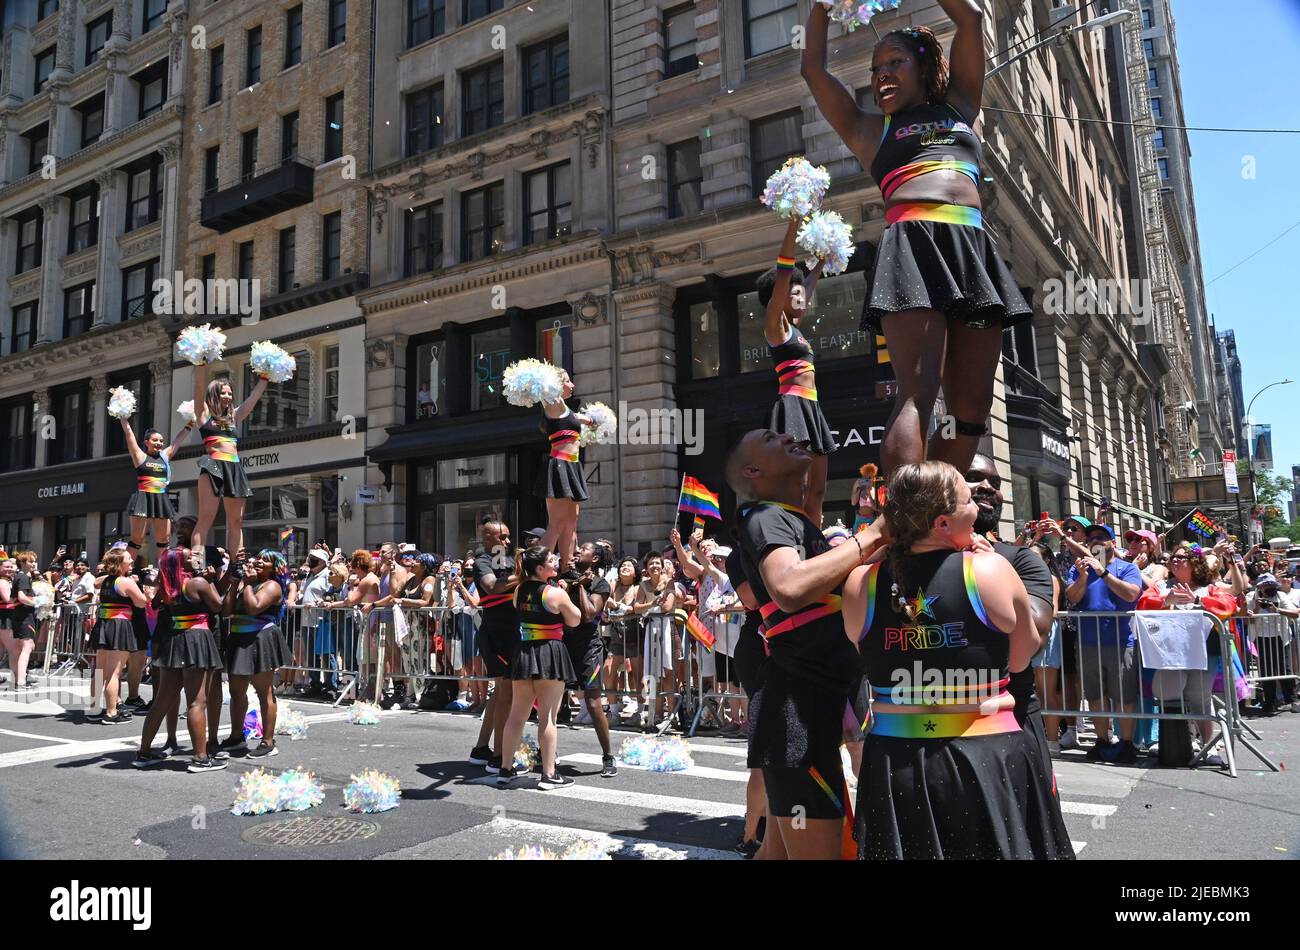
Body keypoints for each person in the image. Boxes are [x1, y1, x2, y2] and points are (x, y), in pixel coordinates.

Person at [802, 1, 1029, 475]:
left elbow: (970, 19)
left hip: (971, 246)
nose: (881, 73)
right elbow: (812, 68)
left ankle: (938, 505)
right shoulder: (868, 128)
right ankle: (906, 518)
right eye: (875, 67)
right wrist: (820, 7)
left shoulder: (960, 106)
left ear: (925, 67)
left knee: (971, 407)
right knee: (918, 390)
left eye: (895, 62)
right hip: (913, 240)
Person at [843, 461, 1072, 859]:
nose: (976, 508)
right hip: (983, 754)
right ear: (943, 523)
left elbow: (866, 652)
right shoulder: (989, 569)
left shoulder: (860, 582)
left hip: (895, 759)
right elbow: (1020, 659)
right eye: (968, 500)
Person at [724, 428, 886, 860]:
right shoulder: (763, 516)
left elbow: (816, 472)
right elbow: (789, 587)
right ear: (753, 471)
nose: (790, 438)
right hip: (797, 712)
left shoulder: (796, 520)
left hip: (815, 702)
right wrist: (870, 538)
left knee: (778, 854)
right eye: (773, 438)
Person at [963, 454, 1071, 836]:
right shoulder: (918, 560)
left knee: (1025, 836)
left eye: (994, 482)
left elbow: (1031, 643)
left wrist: (991, 572)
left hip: (1012, 723)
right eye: (973, 477)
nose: (988, 487)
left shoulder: (1022, 561)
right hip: (934, 733)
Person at [757, 219, 835, 526]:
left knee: (817, 490)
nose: (802, 296)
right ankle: (790, 542)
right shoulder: (776, 326)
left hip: (812, 408)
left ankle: (814, 544)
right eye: (794, 292)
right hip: (791, 407)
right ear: (779, 296)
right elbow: (785, 272)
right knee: (797, 487)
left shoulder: (797, 329)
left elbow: (806, 286)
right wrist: (793, 225)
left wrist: (821, 262)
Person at [495, 544, 582, 788]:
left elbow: (519, 611)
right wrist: (563, 594)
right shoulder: (555, 593)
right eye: (551, 560)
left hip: (524, 652)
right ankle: (549, 774)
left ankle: (505, 769)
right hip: (550, 653)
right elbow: (575, 620)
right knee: (548, 718)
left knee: (516, 716)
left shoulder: (519, 590)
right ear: (541, 568)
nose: (556, 561)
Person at [133, 548, 227, 772]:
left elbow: (155, 605)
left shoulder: (166, 586)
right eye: (189, 557)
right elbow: (218, 606)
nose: (195, 558)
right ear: (179, 563)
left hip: (175, 639)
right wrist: (213, 579)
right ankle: (201, 757)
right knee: (196, 701)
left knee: (162, 700)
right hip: (196, 638)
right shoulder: (197, 583)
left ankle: (144, 752)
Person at [1064, 523, 1145, 763]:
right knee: (1095, 695)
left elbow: (1131, 594)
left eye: (1101, 537)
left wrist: (1103, 573)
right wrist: (1082, 577)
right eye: (1091, 538)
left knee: (1124, 696)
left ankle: (1127, 743)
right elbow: (1072, 597)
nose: (1095, 541)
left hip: (1121, 643)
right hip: (1089, 643)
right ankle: (1102, 739)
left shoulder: (1127, 568)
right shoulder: (1079, 568)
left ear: (1112, 543)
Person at [190, 368, 269, 559]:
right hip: (213, 465)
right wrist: (201, 366)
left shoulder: (233, 417)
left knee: (236, 520)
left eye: (229, 393)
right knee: (206, 518)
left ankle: (236, 564)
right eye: (223, 393)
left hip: (234, 467)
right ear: (213, 395)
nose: (227, 396)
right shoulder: (204, 415)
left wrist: (265, 378)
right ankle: (197, 565)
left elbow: (252, 400)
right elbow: (199, 389)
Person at [223, 549, 293, 758]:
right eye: (259, 558)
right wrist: (237, 583)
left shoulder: (272, 586)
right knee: (236, 692)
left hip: (260, 640)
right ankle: (237, 736)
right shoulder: (248, 584)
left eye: (266, 560)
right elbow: (226, 611)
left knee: (264, 693)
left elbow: (254, 608)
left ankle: (268, 741)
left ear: (275, 568)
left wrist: (247, 583)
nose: (260, 562)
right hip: (238, 639)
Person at [468, 521, 519, 772]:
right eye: (502, 537)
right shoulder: (482, 562)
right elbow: (491, 586)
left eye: (509, 537)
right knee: (505, 693)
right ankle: (499, 756)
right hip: (497, 634)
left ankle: (480, 748)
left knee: (500, 693)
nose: (507, 542)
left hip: (512, 632)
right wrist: (524, 574)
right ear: (487, 537)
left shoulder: (511, 562)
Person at [563, 541, 616, 776]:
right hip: (562, 645)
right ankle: (544, 755)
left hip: (589, 648)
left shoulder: (600, 584)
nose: (576, 551)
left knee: (594, 703)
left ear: (594, 559)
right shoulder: (564, 577)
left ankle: (608, 757)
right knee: (552, 702)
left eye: (582, 549)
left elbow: (590, 614)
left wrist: (581, 587)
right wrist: (572, 582)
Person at [538, 371, 592, 573]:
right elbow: (545, 393)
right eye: (568, 381)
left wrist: (591, 420)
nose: (573, 385)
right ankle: (534, 569)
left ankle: (567, 569)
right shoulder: (554, 402)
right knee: (557, 523)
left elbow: (576, 417)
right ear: (556, 385)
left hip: (572, 466)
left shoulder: (565, 409)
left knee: (571, 522)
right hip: (560, 465)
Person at [120, 419, 192, 567]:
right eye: (155, 440)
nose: (159, 443)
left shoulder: (165, 456)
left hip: (160, 499)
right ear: (146, 442)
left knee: (163, 541)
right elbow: (129, 434)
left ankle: (163, 573)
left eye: (161, 441)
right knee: (136, 540)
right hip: (143, 497)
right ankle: (123, 572)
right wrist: (123, 417)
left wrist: (189, 424)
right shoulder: (139, 456)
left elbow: (176, 441)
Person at [90, 548, 150, 724]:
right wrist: (145, 590)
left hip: (104, 624)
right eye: (128, 559)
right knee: (114, 674)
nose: (132, 562)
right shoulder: (125, 582)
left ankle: (94, 710)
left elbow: (96, 583)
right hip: (119, 625)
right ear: (119, 563)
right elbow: (142, 603)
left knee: (99, 672)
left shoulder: (107, 580)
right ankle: (111, 712)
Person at [635, 550, 677, 729]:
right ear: (646, 568)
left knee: (667, 671)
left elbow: (668, 606)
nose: (654, 566)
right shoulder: (643, 585)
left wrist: (650, 609)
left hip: (667, 628)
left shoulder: (670, 582)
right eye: (651, 563)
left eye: (657, 563)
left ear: (662, 566)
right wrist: (651, 605)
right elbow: (636, 608)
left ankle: (672, 715)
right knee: (653, 673)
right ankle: (657, 714)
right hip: (651, 629)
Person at [604, 556, 642, 722]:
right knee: (608, 671)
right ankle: (613, 712)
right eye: (622, 565)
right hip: (616, 633)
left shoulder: (638, 587)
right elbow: (605, 601)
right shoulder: (613, 584)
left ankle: (639, 712)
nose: (625, 567)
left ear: (635, 572)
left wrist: (619, 606)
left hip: (635, 633)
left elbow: (639, 608)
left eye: (629, 566)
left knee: (638, 675)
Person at [850, 463, 881, 533]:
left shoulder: (875, 490)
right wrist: (855, 487)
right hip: (859, 519)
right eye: (865, 478)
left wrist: (869, 494)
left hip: (871, 520)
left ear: (874, 478)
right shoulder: (860, 490)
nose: (867, 480)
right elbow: (853, 503)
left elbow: (876, 508)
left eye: (869, 478)